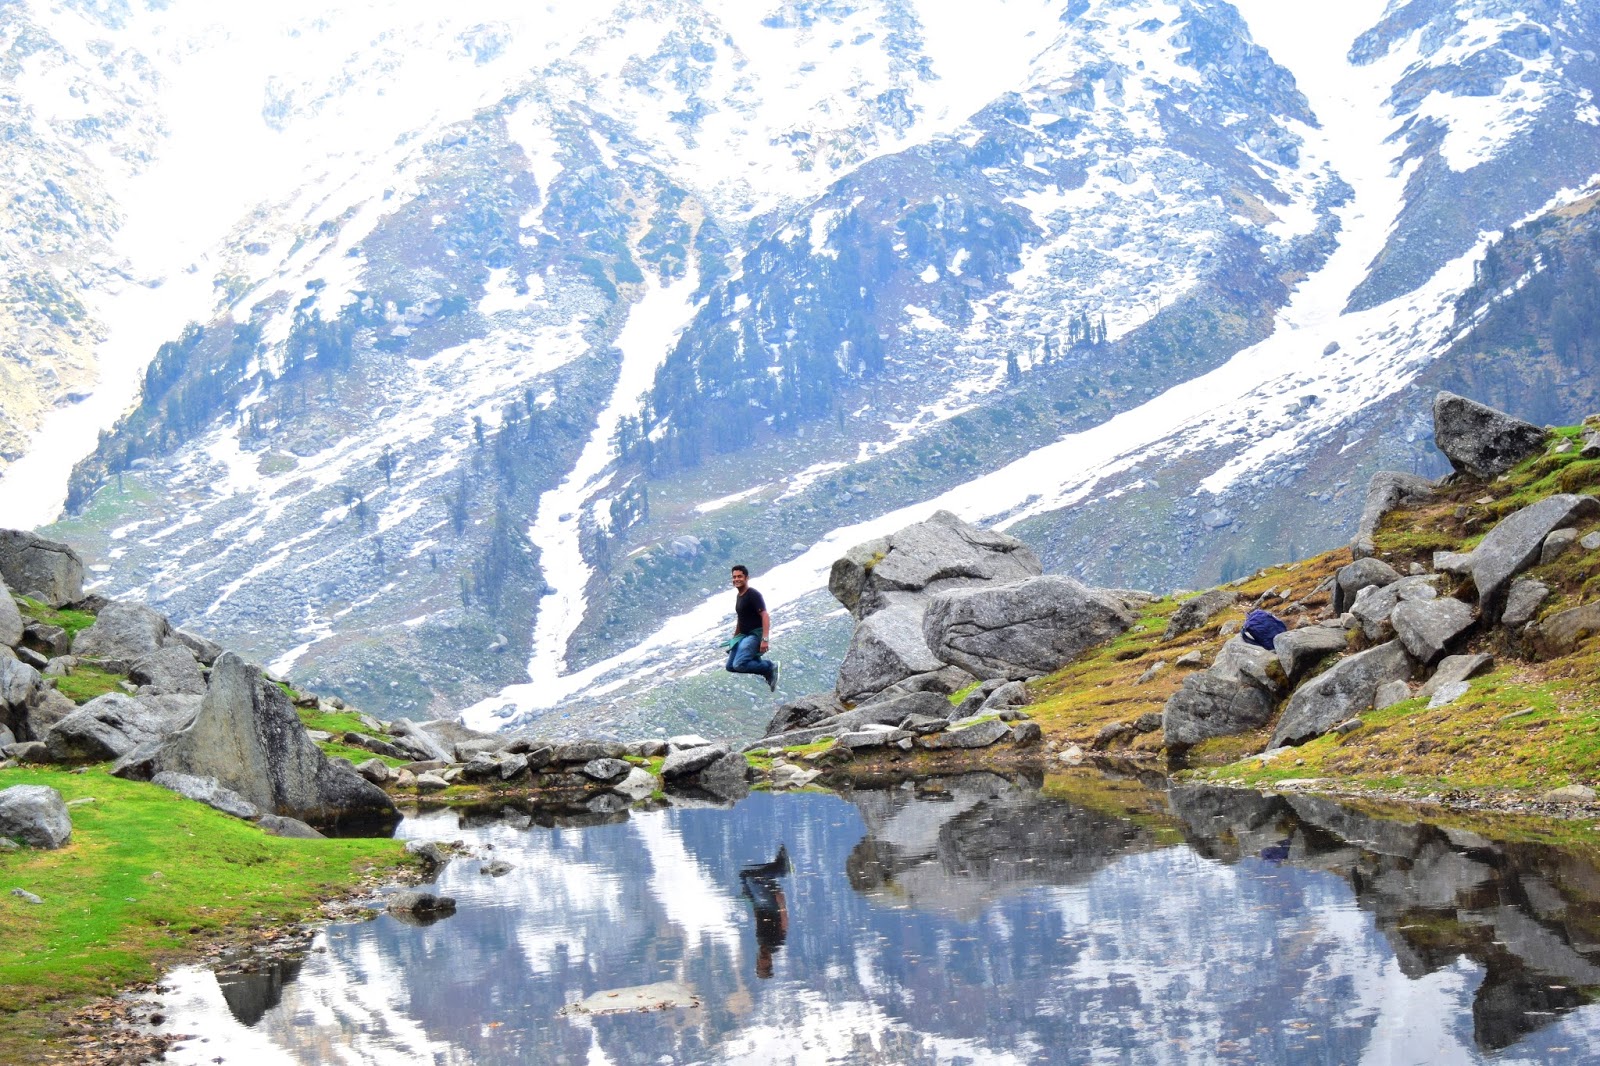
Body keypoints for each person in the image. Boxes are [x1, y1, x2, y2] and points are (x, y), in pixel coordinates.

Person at [726, 564, 778, 692]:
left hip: (754, 634)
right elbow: (741, 618)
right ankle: (762, 668)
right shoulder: (739, 596)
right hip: (743, 636)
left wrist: (765, 639)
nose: (736, 579)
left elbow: (765, 615)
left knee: (739, 664)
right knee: (730, 667)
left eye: (740, 576)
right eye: (734, 577)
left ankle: (769, 667)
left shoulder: (753, 594)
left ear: (746, 578)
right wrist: (734, 639)